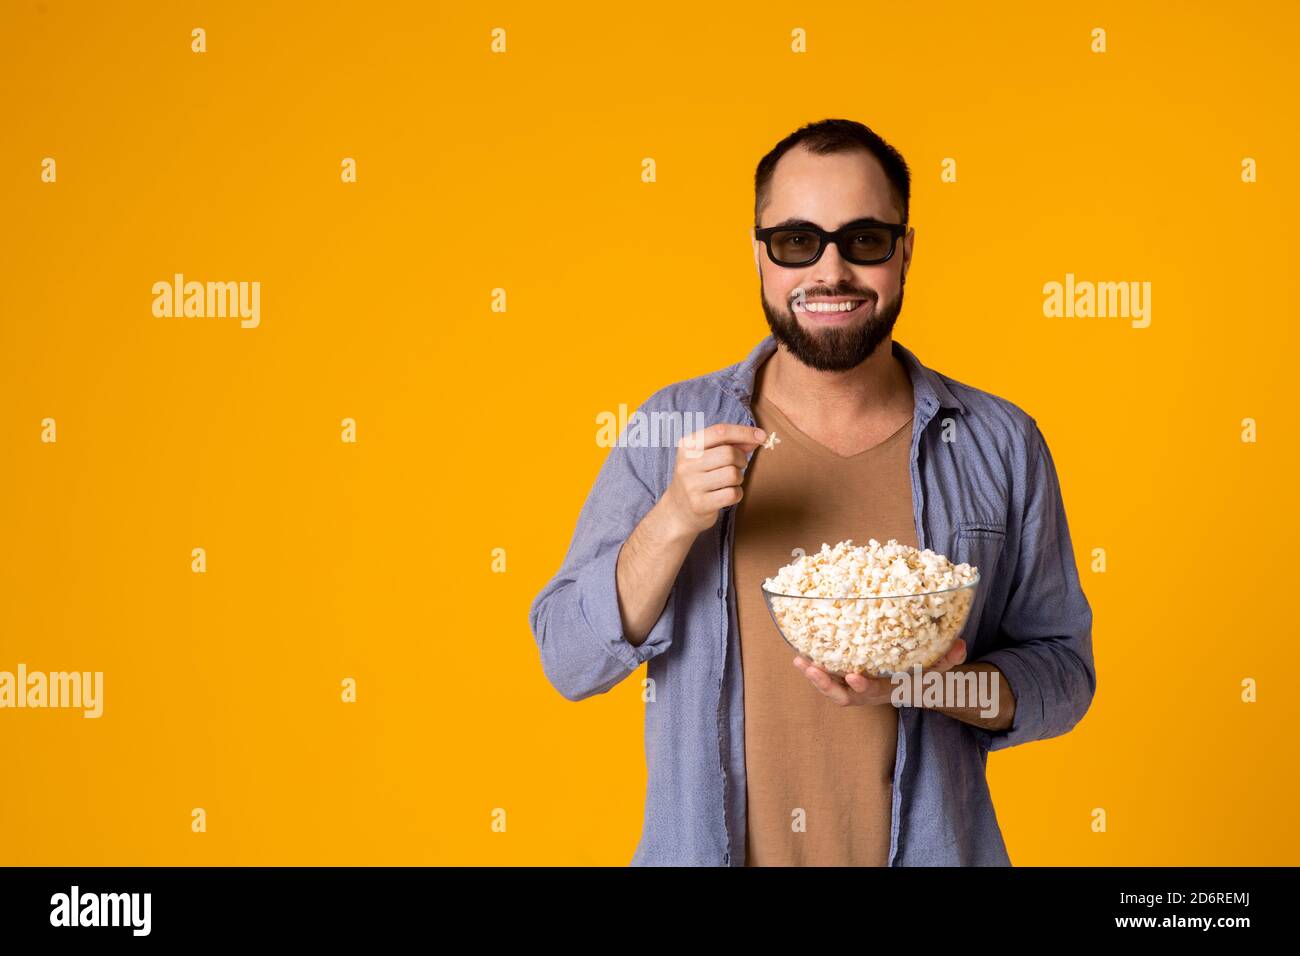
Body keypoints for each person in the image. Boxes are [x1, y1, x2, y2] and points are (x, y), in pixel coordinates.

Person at [528, 118, 1096, 866]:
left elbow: (1064, 676)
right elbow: (569, 658)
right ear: (758, 253)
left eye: (864, 240)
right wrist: (672, 522)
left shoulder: (999, 442)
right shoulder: (673, 427)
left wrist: (927, 689)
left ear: (906, 250)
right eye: (797, 241)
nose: (830, 273)